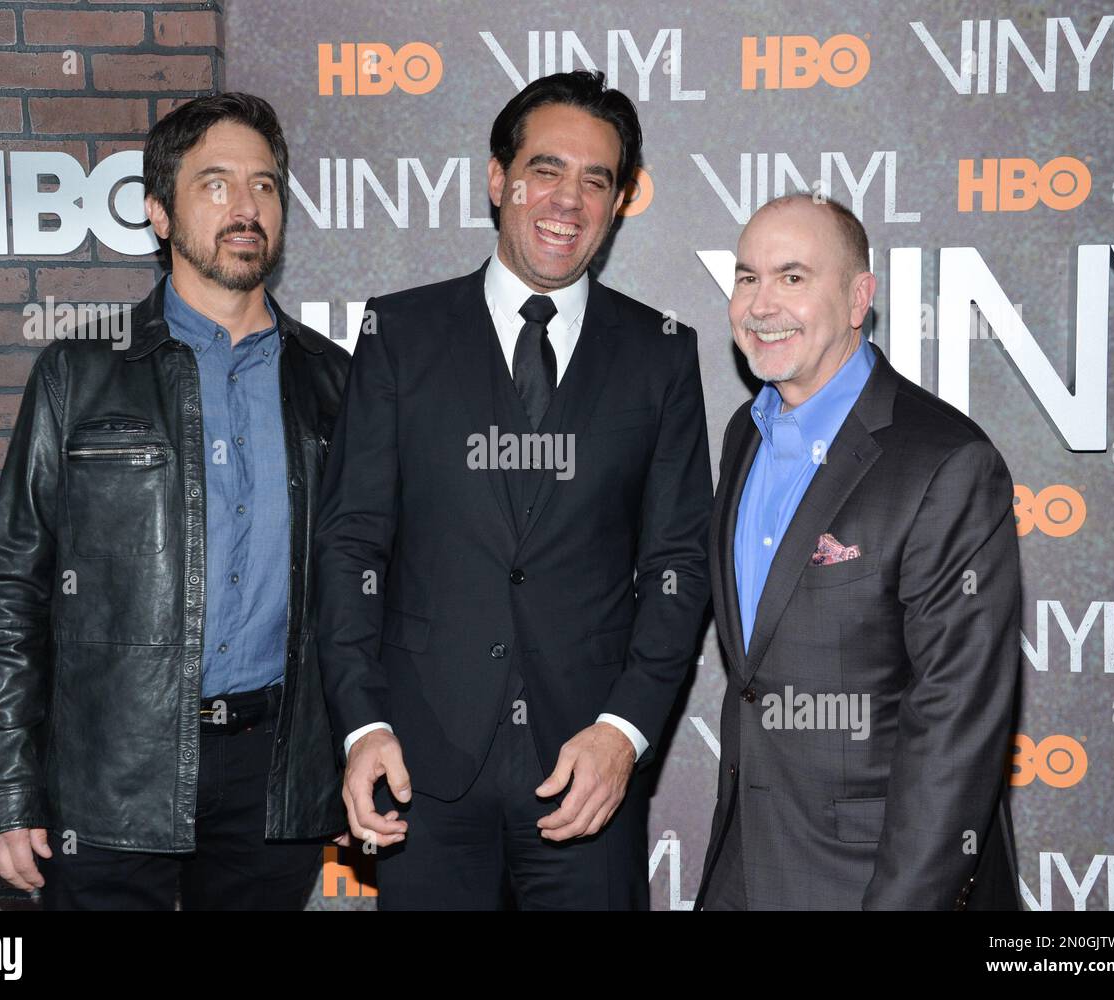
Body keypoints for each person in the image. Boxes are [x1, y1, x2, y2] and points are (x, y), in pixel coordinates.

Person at [315, 70, 712, 909]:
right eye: (546, 169)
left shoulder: (661, 353)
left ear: (618, 202)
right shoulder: (400, 334)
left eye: (595, 180)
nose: (567, 200)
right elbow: (352, 543)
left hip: (586, 771)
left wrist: (625, 732)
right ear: (499, 180)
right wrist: (362, 723)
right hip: (420, 762)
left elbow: (678, 563)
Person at [0, 93, 349, 910]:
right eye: (215, 184)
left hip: (274, 777)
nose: (246, 207)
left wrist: (354, 750)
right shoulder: (79, 372)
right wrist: (5, 789)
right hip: (109, 769)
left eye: (266, 185)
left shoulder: (335, 382)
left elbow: (372, 586)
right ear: (157, 214)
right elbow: (11, 590)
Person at [695, 192, 1021, 910]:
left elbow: (956, 724)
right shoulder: (741, 437)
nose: (761, 303)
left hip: (870, 878)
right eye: (747, 277)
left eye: (793, 277)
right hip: (744, 863)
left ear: (858, 299)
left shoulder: (944, 461)